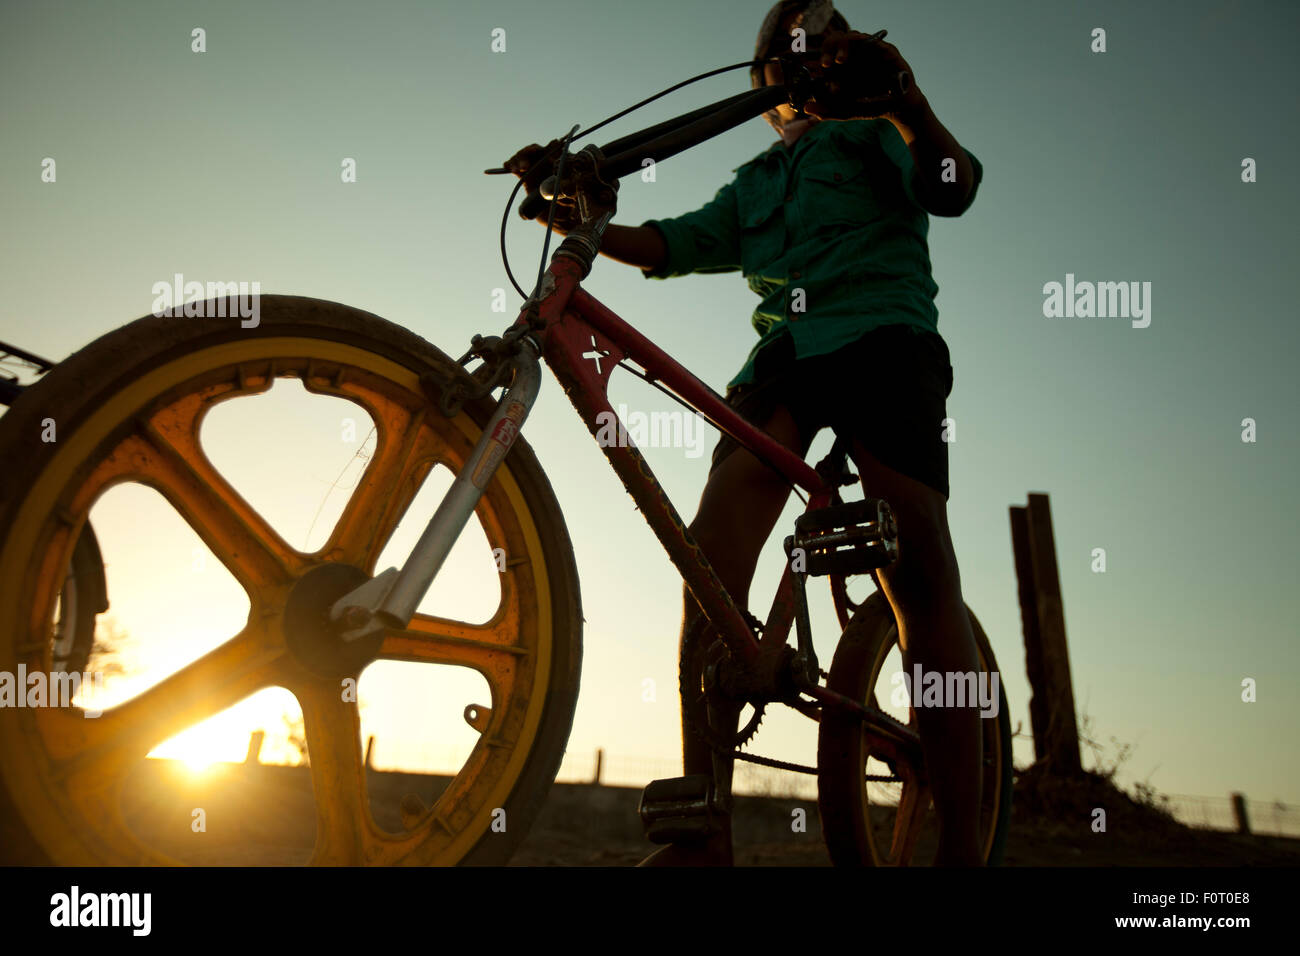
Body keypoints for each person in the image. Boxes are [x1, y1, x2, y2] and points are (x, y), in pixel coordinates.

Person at [505, 0, 986, 866]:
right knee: (710, 561)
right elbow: (670, 243)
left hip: (884, 337)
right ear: (772, 72)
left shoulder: (874, 130)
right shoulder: (757, 183)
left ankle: (964, 837)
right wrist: (572, 221)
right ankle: (706, 829)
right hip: (784, 363)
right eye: (804, 40)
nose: (823, 48)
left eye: (837, 32)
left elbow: (953, 188)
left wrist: (908, 105)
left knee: (919, 566)